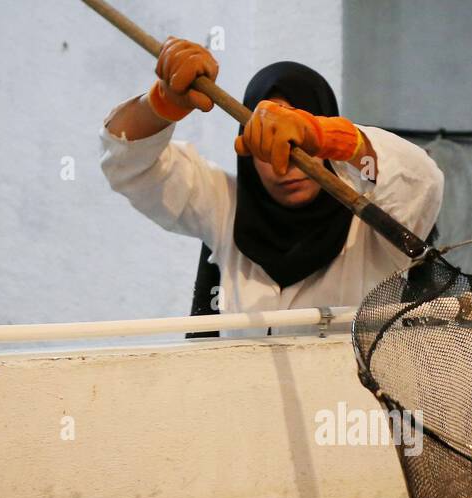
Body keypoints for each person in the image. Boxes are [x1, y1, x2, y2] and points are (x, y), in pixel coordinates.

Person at [100, 37, 444, 334]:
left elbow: (422, 182)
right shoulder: (223, 206)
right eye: (267, 145)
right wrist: (161, 103)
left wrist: (325, 134)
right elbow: (129, 167)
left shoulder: (375, 226)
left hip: (350, 412)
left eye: (300, 146)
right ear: (246, 150)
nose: (285, 165)